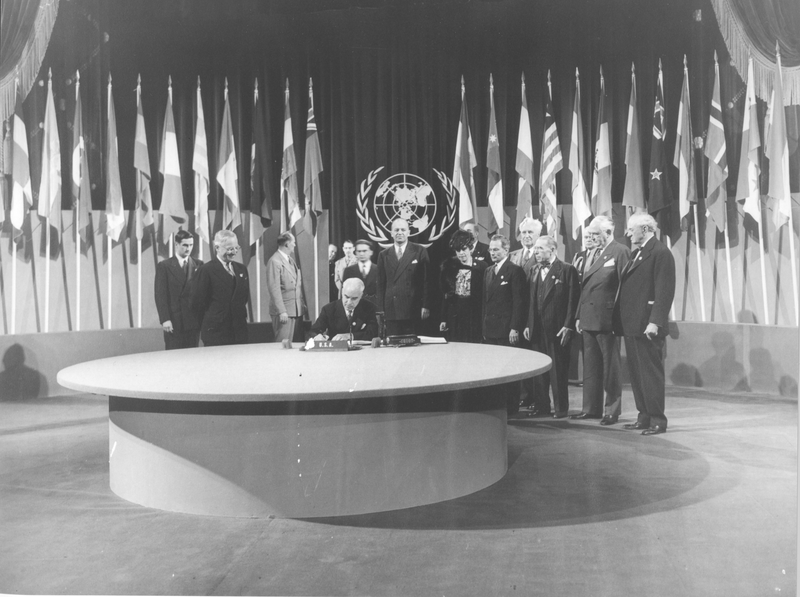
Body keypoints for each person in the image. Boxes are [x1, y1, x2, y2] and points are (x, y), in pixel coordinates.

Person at [613, 213, 676, 436]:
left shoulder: (660, 252)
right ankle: (644, 416)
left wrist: (655, 322)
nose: (628, 233)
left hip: (647, 325)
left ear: (646, 229)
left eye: (632, 229)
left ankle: (658, 420)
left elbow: (664, 292)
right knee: (637, 374)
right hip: (632, 324)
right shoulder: (637, 253)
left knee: (650, 374)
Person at [572, 216, 630, 424]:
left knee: (610, 368)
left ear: (607, 233)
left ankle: (611, 410)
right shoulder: (589, 254)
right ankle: (590, 408)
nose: (592, 238)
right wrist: (578, 315)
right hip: (588, 317)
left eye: (596, 234)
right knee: (590, 367)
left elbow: (626, 286)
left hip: (607, 319)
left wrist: (619, 318)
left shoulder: (620, 251)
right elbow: (583, 288)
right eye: (590, 234)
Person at [524, 235, 580, 419]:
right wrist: (528, 324)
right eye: (536, 249)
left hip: (557, 328)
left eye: (540, 248)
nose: (536, 252)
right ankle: (542, 407)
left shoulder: (566, 270)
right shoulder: (533, 270)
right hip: (536, 328)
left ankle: (561, 408)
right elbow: (531, 301)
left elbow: (573, 300)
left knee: (558, 371)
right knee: (539, 371)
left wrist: (568, 326)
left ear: (552, 250)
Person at [482, 234, 526, 415]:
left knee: (509, 370)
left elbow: (519, 302)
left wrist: (514, 327)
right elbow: (484, 302)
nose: (492, 253)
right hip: (490, 330)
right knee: (493, 370)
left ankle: (512, 408)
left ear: (506, 250)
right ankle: (496, 406)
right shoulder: (488, 271)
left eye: (496, 250)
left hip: (506, 330)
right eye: (490, 250)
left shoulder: (514, 271)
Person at [191, 230, 250, 346]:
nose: (234, 252)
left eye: (236, 248)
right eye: (229, 249)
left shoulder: (241, 269)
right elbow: (197, 303)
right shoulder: (206, 270)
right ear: (217, 248)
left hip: (239, 331)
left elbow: (244, 298)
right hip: (216, 332)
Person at [376, 218, 430, 335]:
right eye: (396, 230)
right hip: (391, 309)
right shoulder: (383, 255)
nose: (399, 232)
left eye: (403, 230)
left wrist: (425, 306)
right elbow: (380, 284)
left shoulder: (419, 251)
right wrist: (380, 310)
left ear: (408, 232)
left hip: (413, 307)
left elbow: (426, 281)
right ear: (391, 233)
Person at [509, 217, 542, 408]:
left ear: (539, 235)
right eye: (524, 232)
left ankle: (535, 398)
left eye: (531, 232)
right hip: (515, 315)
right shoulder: (513, 255)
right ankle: (521, 395)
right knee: (517, 357)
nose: (527, 236)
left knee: (533, 357)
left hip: (534, 315)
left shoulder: (542, 254)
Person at [154, 229, 203, 350]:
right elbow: (160, 295)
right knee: (174, 358)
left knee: (192, 357)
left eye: (191, 245)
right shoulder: (164, 266)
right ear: (176, 245)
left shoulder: (199, 265)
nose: (188, 248)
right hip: (174, 321)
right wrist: (165, 319)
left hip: (193, 321)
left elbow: (202, 294)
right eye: (185, 245)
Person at [439, 229, 488, 343]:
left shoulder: (482, 267)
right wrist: (443, 319)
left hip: (475, 316)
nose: (461, 253)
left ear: (470, 248)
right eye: (457, 250)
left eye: (464, 249)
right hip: (455, 316)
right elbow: (446, 295)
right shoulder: (449, 266)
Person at [310, 278, 379, 341]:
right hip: (336, 351)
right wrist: (318, 336)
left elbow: (373, 333)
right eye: (346, 297)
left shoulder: (368, 308)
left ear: (361, 295)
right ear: (342, 292)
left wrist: (350, 336)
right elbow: (313, 331)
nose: (349, 302)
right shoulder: (329, 309)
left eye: (354, 298)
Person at [267, 231, 306, 343]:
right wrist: (281, 311)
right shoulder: (275, 261)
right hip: (284, 312)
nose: (295, 245)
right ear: (287, 244)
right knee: (282, 344)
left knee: (292, 346)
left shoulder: (290, 259)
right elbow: (274, 289)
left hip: (295, 310)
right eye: (293, 242)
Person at [342, 239, 378, 305]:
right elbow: (345, 294)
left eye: (364, 251)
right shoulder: (348, 271)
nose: (361, 254)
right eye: (359, 251)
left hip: (375, 310)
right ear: (355, 253)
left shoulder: (379, 270)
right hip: (354, 308)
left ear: (371, 252)